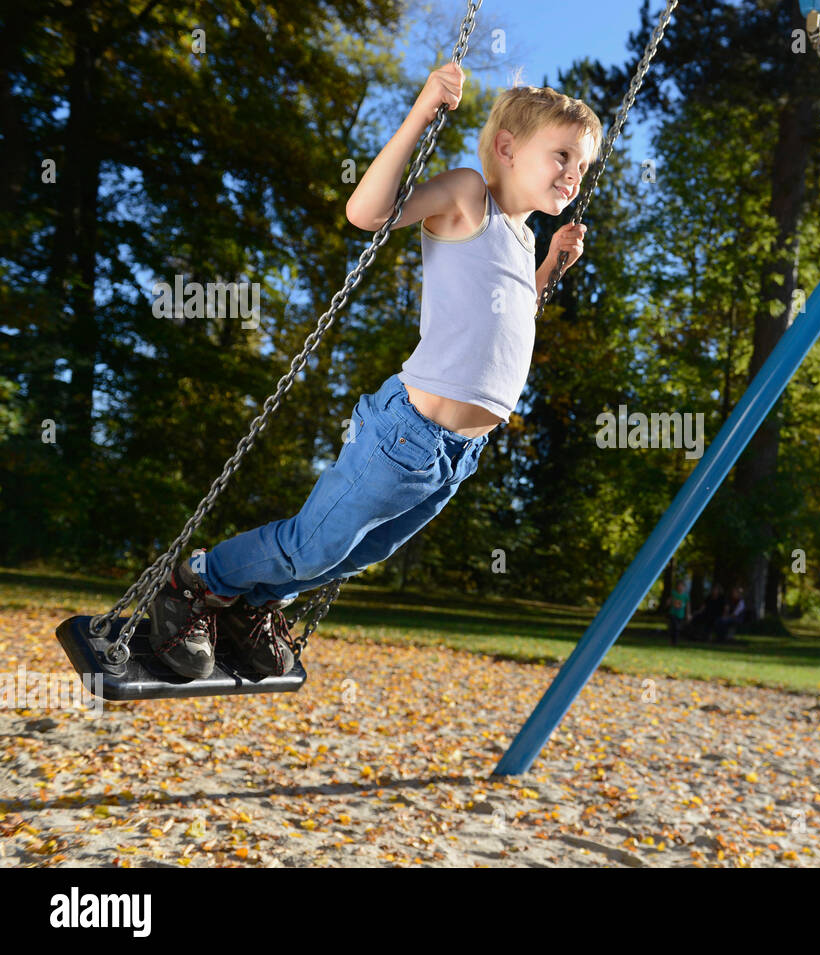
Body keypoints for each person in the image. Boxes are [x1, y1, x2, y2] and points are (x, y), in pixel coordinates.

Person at [148, 62, 600, 679]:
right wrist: (422, 111)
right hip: (407, 434)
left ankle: (248, 606)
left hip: (457, 456)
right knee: (313, 544)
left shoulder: (524, 241)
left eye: (583, 166)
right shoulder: (470, 197)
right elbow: (367, 213)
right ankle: (195, 582)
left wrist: (550, 268)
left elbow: (506, 326)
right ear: (506, 147)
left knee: (353, 556)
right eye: (563, 156)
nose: (574, 175)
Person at [665, 577, 690, 645]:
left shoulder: (685, 596)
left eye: (682, 586)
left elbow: (687, 605)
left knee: (677, 628)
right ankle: (671, 641)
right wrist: (668, 602)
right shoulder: (674, 593)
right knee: (673, 627)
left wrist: (688, 614)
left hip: (680, 615)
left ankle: (675, 641)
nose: (680, 587)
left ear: (684, 587)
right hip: (673, 613)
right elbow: (669, 600)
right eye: (679, 585)